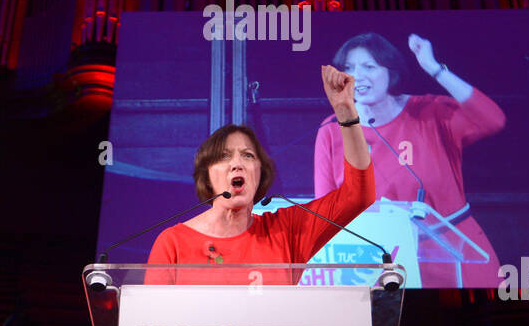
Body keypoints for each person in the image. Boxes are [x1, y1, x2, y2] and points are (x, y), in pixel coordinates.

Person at [147, 64, 376, 284]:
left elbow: (358, 196)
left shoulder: (287, 231)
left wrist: (345, 112)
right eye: (225, 156)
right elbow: (152, 320)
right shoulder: (173, 243)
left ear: (260, 174)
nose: (237, 164)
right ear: (206, 175)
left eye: (248, 156)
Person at [314, 32, 505, 287]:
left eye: (369, 66)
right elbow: (325, 216)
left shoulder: (429, 113)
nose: (356, 76)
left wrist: (435, 69)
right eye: (348, 68)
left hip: (457, 254)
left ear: (391, 73)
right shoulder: (331, 131)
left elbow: (493, 120)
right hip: (382, 265)